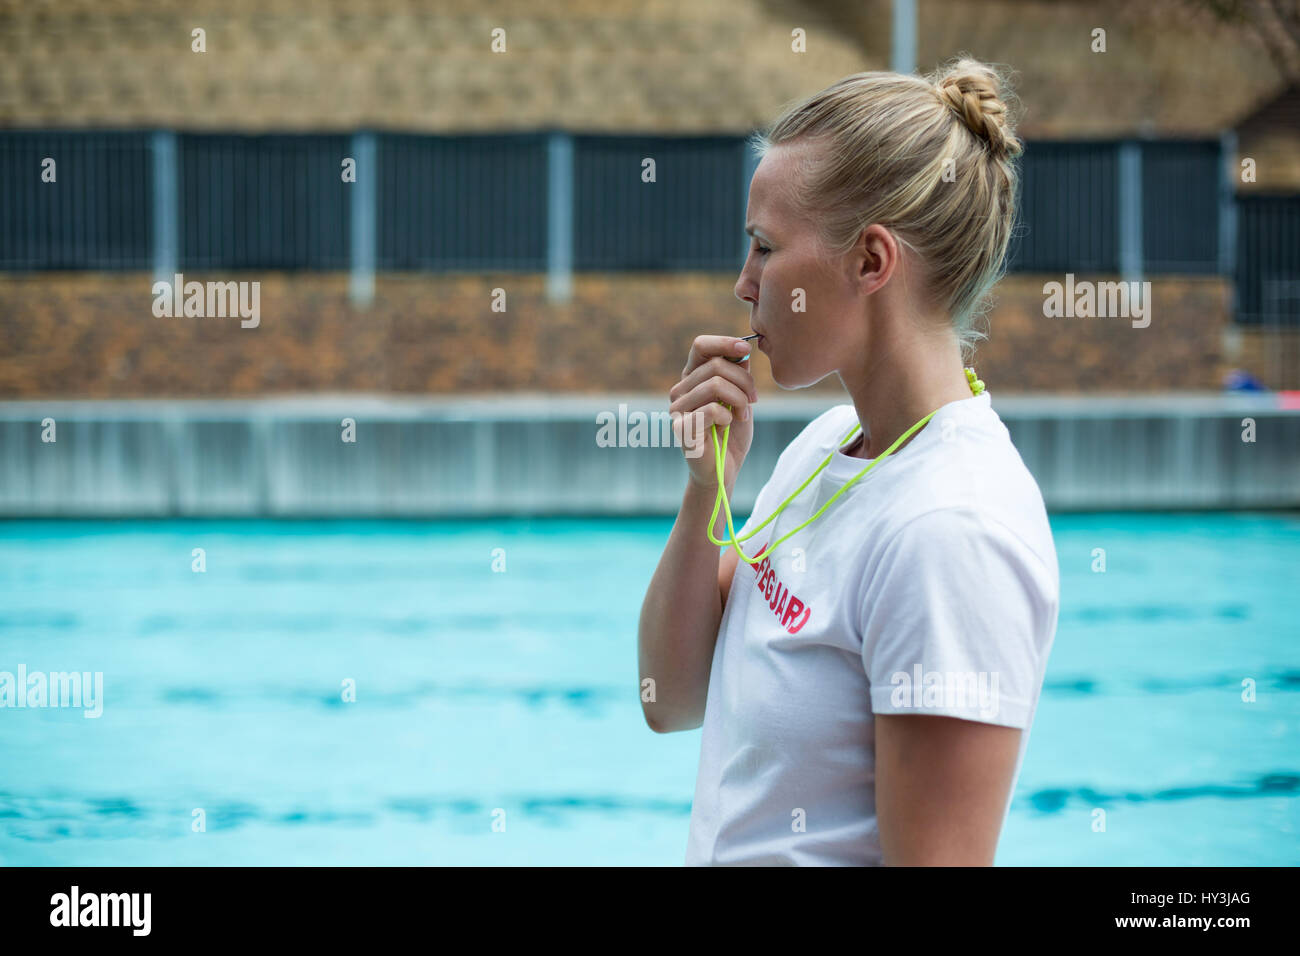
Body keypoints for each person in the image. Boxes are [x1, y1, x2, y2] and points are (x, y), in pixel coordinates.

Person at [637, 57, 1060, 866]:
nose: (742, 284)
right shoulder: (824, 450)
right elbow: (672, 696)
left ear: (871, 262)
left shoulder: (952, 529)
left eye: (765, 248)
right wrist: (708, 494)